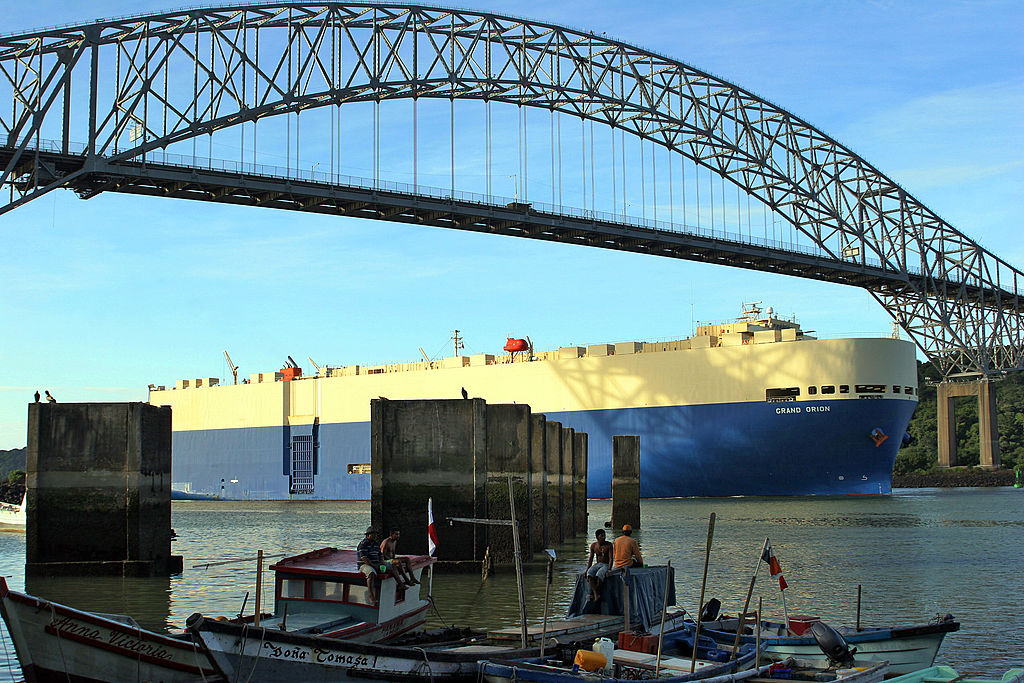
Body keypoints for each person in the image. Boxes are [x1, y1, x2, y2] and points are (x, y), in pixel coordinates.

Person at [357, 527, 410, 604]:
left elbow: (380, 555)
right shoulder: (363, 545)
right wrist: (375, 567)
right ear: (368, 535)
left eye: (376, 534)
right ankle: (371, 596)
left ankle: (400, 584)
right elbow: (365, 559)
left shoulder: (376, 544)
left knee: (393, 566)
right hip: (365, 565)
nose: (375, 536)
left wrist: (382, 563)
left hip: (377, 563)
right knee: (371, 574)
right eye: (373, 534)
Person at [585, 528, 613, 601]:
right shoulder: (594, 546)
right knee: (590, 574)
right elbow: (590, 559)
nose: (604, 537)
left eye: (604, 536)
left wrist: (609, 569)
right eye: (602, 536)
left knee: (599, 575)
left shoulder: (609, 545)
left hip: (605, 565)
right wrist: (587, 570)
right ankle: (595, 594)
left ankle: (595, 594)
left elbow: (611, 558)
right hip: (597, 564)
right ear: (597, 537)